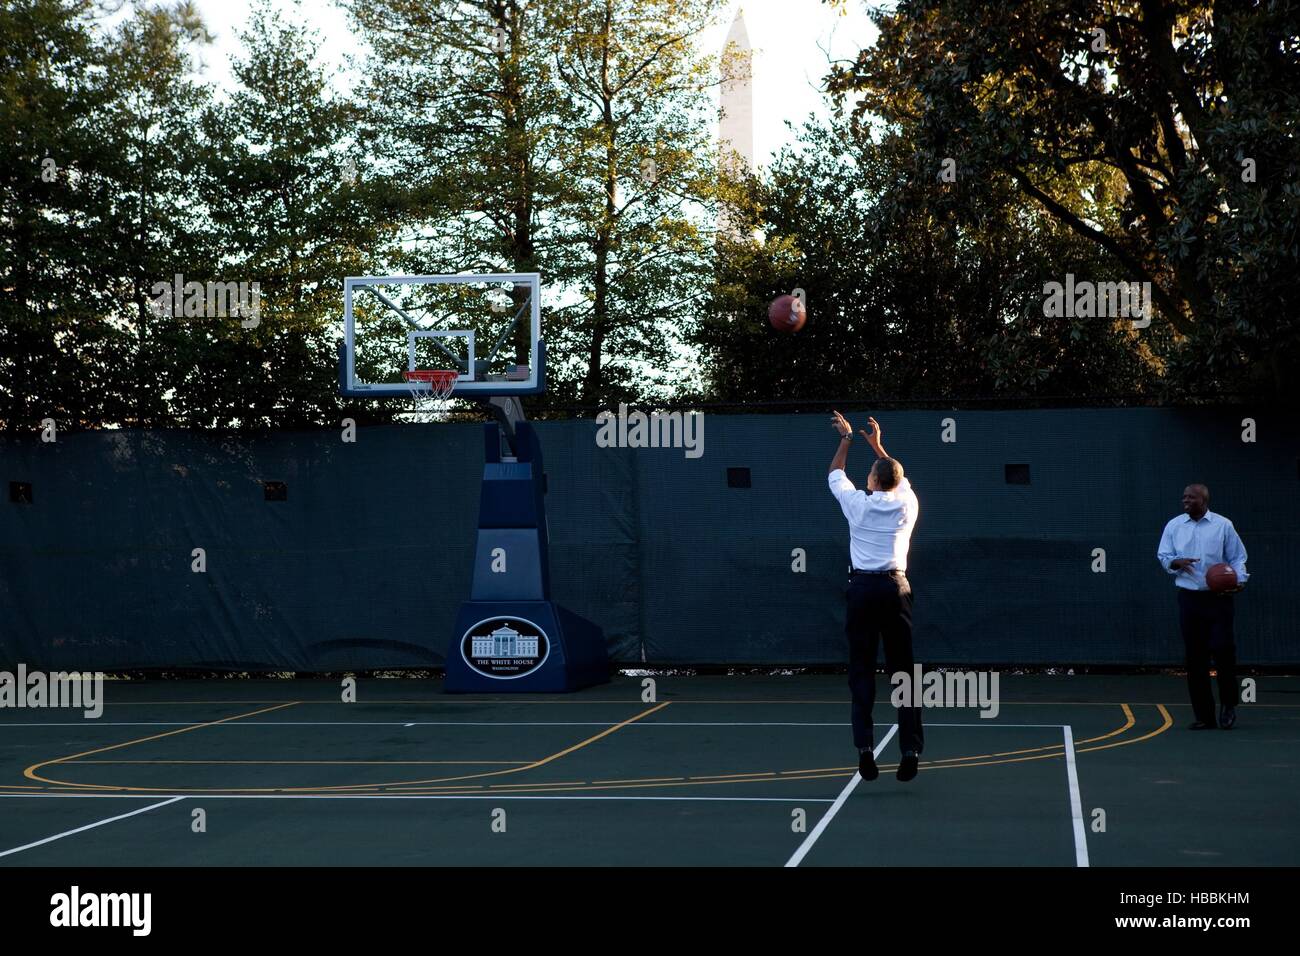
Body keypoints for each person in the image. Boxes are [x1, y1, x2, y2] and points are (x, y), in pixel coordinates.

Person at [828, 411, 923, 782]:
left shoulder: (858, 504)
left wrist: (848, 438)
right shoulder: (908, 504)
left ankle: (865, 749)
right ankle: (910, 749)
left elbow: (835, 473)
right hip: (896, 590)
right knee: (905, 674)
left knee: (862, 672)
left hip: (863, 591)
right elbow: (895, 476)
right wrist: (878, 445)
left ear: (871, 480)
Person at [1156, 484, 1249, 730]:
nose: (1185, 500)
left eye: (1191, 497)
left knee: (1223, 651)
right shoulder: (1174, 525)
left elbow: (1238, 557)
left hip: (1218, 598)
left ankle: (1228, 706)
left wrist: (1239, 580)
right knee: (1195, 658)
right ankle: (1204, 716)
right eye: (1184, 496)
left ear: (1204, 500)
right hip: (1190, 598)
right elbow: (1163, 556)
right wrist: (1176, 562)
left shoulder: (1223, 525)